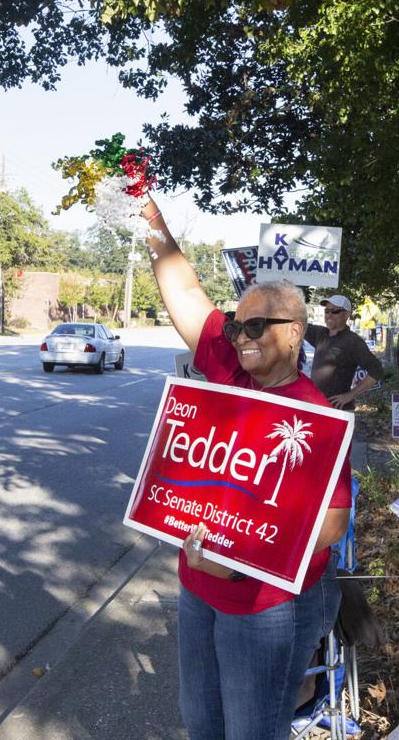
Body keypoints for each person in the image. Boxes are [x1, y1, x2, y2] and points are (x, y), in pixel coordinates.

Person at [140, 196, 351, 740]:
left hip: (263, 605)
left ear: (295, 332)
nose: (244, 337)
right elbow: (187, 294)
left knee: (252, 730)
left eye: (258, 326)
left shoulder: (312, 415)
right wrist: (153, 221)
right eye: (237, 327)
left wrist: (238, 562)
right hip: (198, 587)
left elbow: (330, 524)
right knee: (203, 722)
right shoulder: (232, 370)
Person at [304, 295, 384, 411]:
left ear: (346, 315)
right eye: (327, 311)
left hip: (338, 410)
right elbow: (297, 323)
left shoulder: (353, 341)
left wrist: (350, 395)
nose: (329, 315)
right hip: (316, 407)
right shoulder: (320, 334)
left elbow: (377, 370)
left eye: (335, 311)